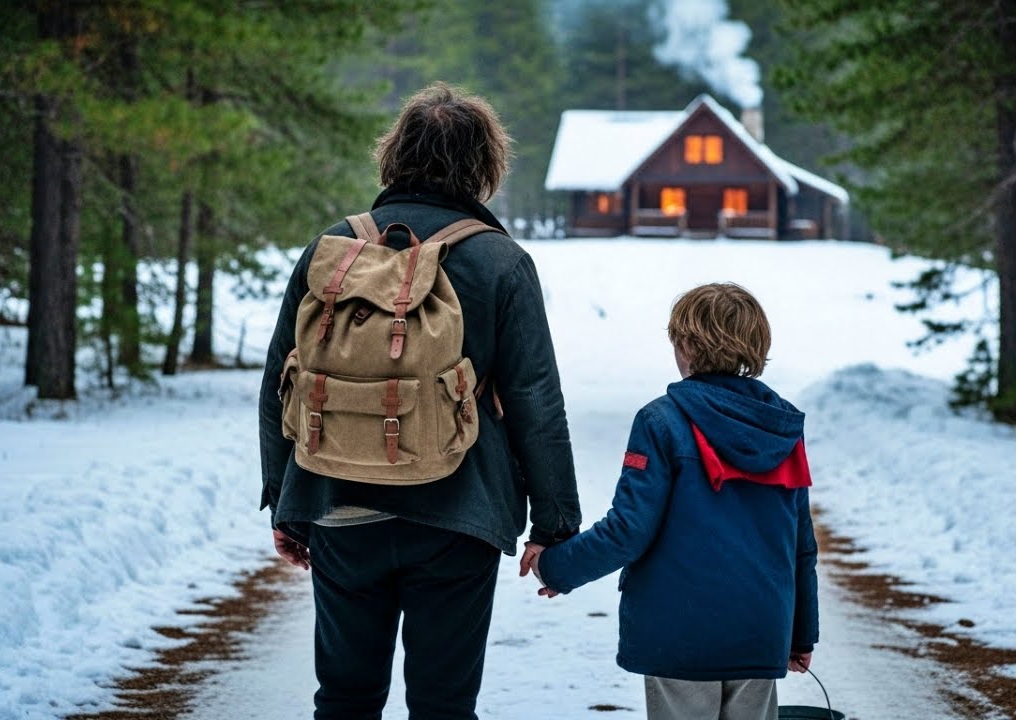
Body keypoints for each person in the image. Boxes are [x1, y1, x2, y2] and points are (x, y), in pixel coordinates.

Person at [257, 82, 581, 720]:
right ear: (484, 165)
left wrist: (287, 500)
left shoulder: (335, 251)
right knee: (443, 703)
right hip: (458, 516)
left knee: (345, 699)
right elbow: (536, 402)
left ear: (393, 154)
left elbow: (281, 380)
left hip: (340, 502)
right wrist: (555, 527)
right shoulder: (500, 262)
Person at [524, 282, 819, 720]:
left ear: (687, 345)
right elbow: (800, 544)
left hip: (680, 633)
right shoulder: (778, 427)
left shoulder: (662, 421)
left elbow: (629, 530)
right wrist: (800, 634)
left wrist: (556, 565)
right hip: (761, 631)